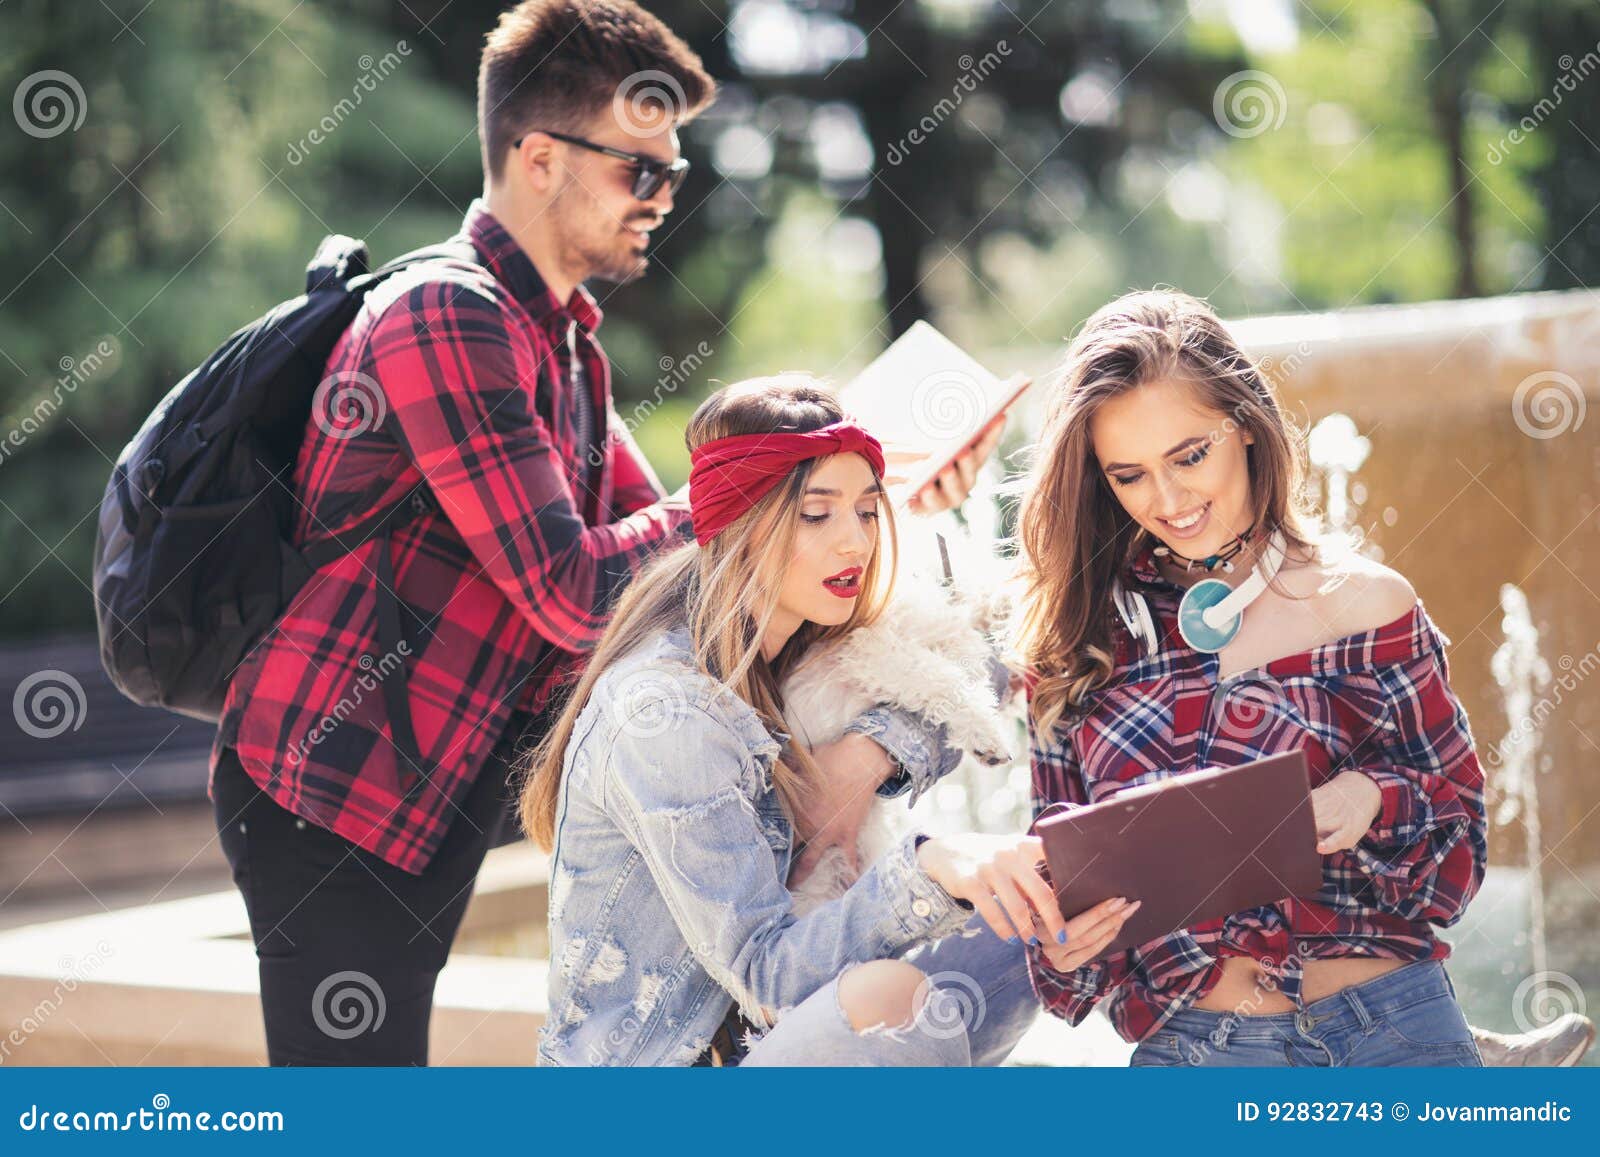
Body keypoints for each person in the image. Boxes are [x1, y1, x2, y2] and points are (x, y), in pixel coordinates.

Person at [208, 0, 996, 1066]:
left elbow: (690, 554)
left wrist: (860, 473)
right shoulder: (450, 313)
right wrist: (788, 478)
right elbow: (583, 591)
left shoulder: (563, 342)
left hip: (437, 769)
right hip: (340, 774)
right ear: (537, 158)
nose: (664, 200)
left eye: (671, 173)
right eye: (643, 172)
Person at [520, 376, 1137, 1066]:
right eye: (818, 515)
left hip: (773, 1048)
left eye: (869, 511)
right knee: (889, 999)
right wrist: (932, 866)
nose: (855, 542)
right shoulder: (667, 712)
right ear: (743, 521)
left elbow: (983, 657)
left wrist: (873, 751)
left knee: (1051, 902)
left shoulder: (808, 635)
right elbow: (768, 980)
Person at [1015, 290, 1491, 1067]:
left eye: (1189, 456)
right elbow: (1059, 908)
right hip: (1199, 1054)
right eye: (1129, 475)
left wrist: (1371, 794)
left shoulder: (1367, 603)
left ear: (1245, 426)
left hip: (1389, 1026)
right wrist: (1063, 944)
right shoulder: (1076, 645)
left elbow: (1462, 843)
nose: (1167, 501)